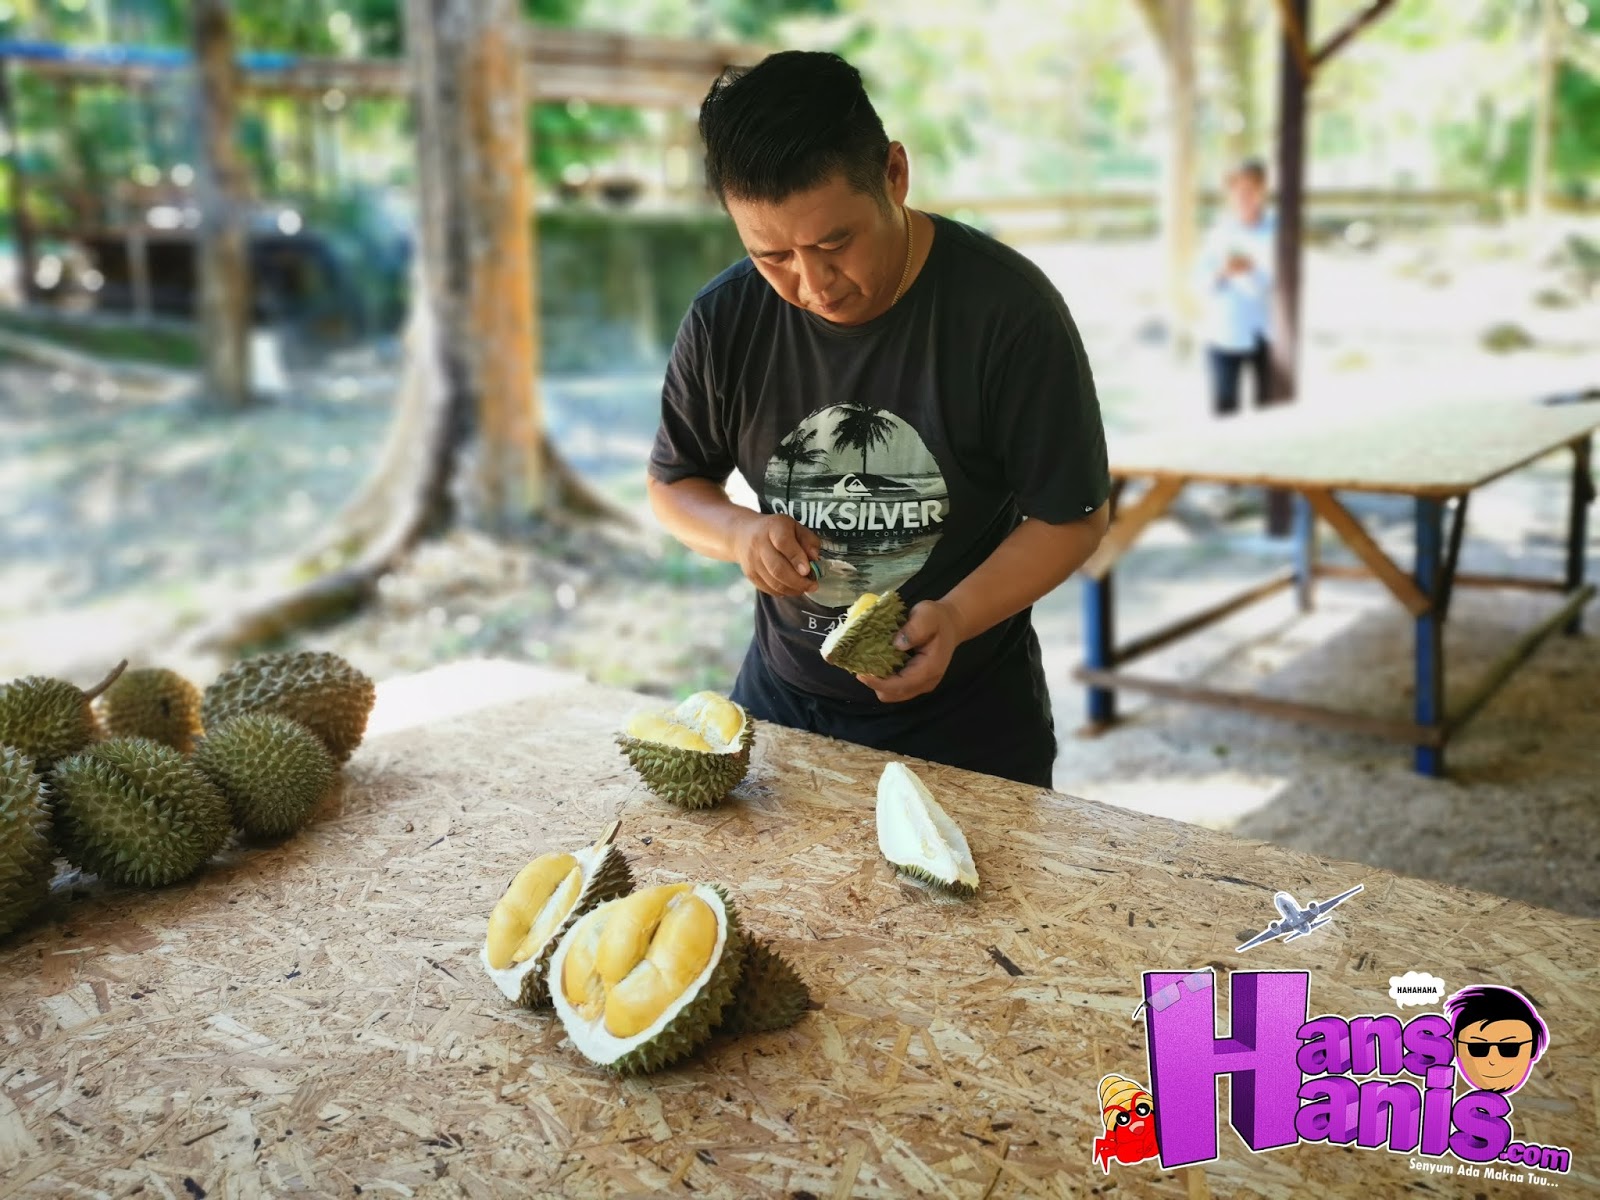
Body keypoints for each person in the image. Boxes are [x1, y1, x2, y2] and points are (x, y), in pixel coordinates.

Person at [644, 51, 1110, 789]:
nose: (813, 284)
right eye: (772, 256)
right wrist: (739, 533)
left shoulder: (1007, 314)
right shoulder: (724, 319)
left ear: (895, 174)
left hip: (971, 726)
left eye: (835, 243)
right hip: (783, 709)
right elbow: (674, 483)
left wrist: (955, 617)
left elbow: (1072, 517)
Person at [1196, 158, 1276, 417]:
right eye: (1237, 191)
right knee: (1225, 410)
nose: (1244, 197)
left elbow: (1277, 280)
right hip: (1224, 332)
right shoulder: (1219, 231)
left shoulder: (1277, 230)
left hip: (1268, 332)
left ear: (1262, 190)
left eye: (1250, 190)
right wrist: (1222, 272)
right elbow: (1200, 279)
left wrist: (1250, 272)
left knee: (1271, 411)